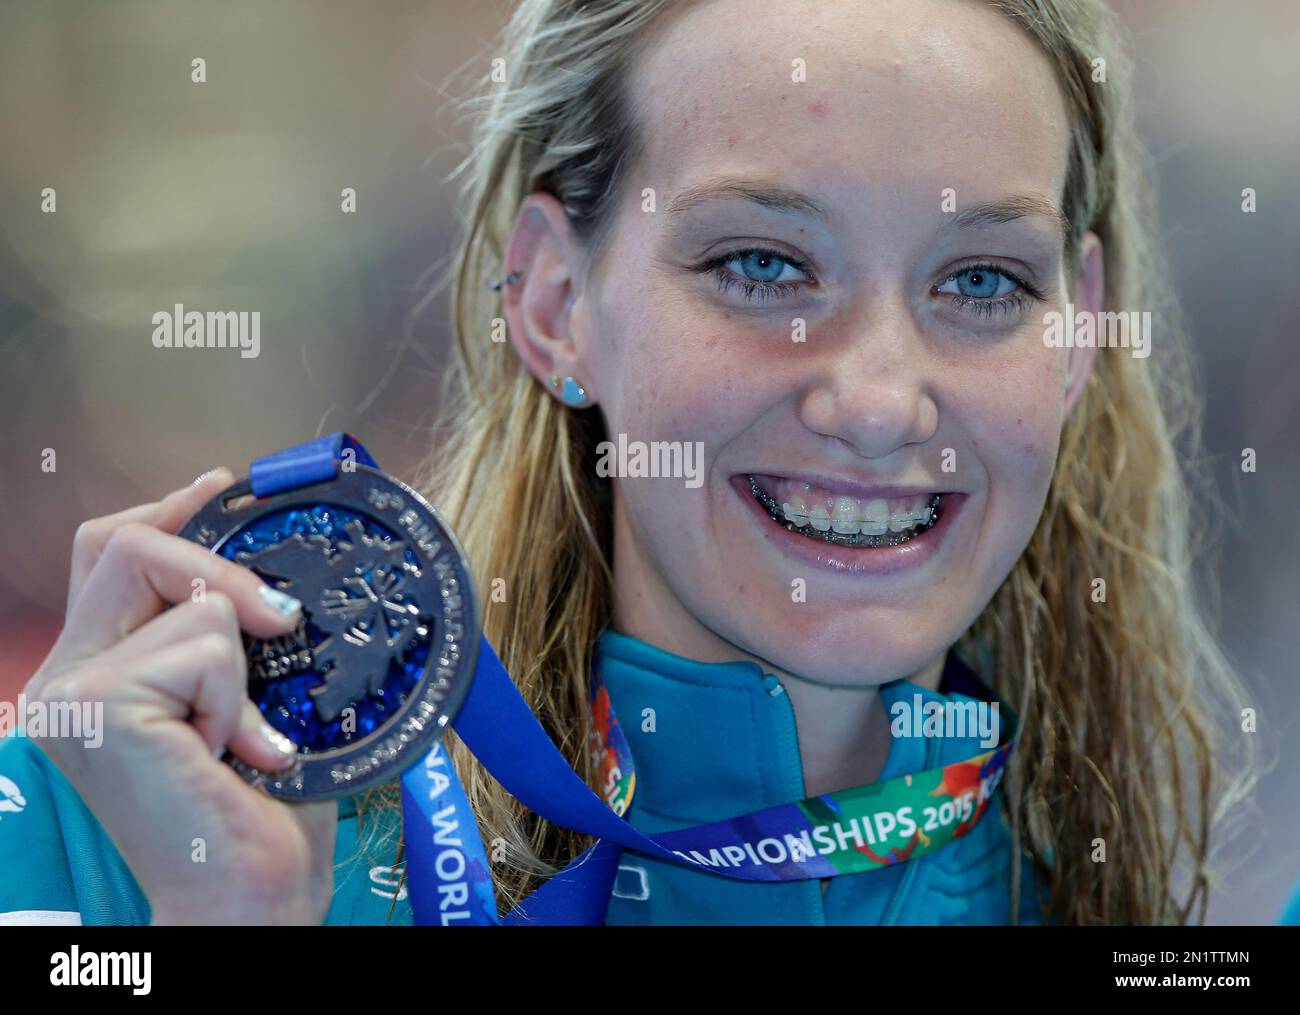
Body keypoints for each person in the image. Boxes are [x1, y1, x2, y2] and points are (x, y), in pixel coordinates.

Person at [0, 0, 1258, 926]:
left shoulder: (1161, 905)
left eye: (982, 280)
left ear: (1080, 328)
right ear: (553, 301)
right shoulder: (120, 821)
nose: (877, 401)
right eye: (761, 265)